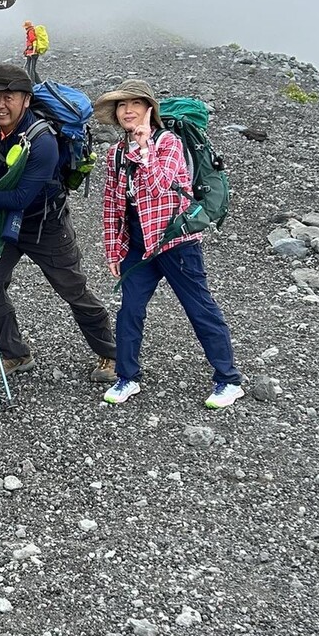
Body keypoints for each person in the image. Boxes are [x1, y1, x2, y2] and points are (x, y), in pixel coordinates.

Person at [0, 62, 116, 382]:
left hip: (45, 225)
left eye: (10, 97)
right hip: (3, 222)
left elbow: (22, 198)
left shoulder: (43, 141)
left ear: (26, 99)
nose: (0, 103)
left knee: (74, 291)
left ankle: (112, 354)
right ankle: (14, 354)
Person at [95, 79, 244, 409]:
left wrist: (146, 150)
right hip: (138, 244)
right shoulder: (116, 154)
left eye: (135, 104)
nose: (127, 110)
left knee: (199, 309)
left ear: (150, 110)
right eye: (122, 105)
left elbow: (160, 186)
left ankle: (228, 380)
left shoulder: (170, 143)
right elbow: (112, 204)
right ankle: (127, 377)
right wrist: (113, 248)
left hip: (176, 241)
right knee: (130, 309)